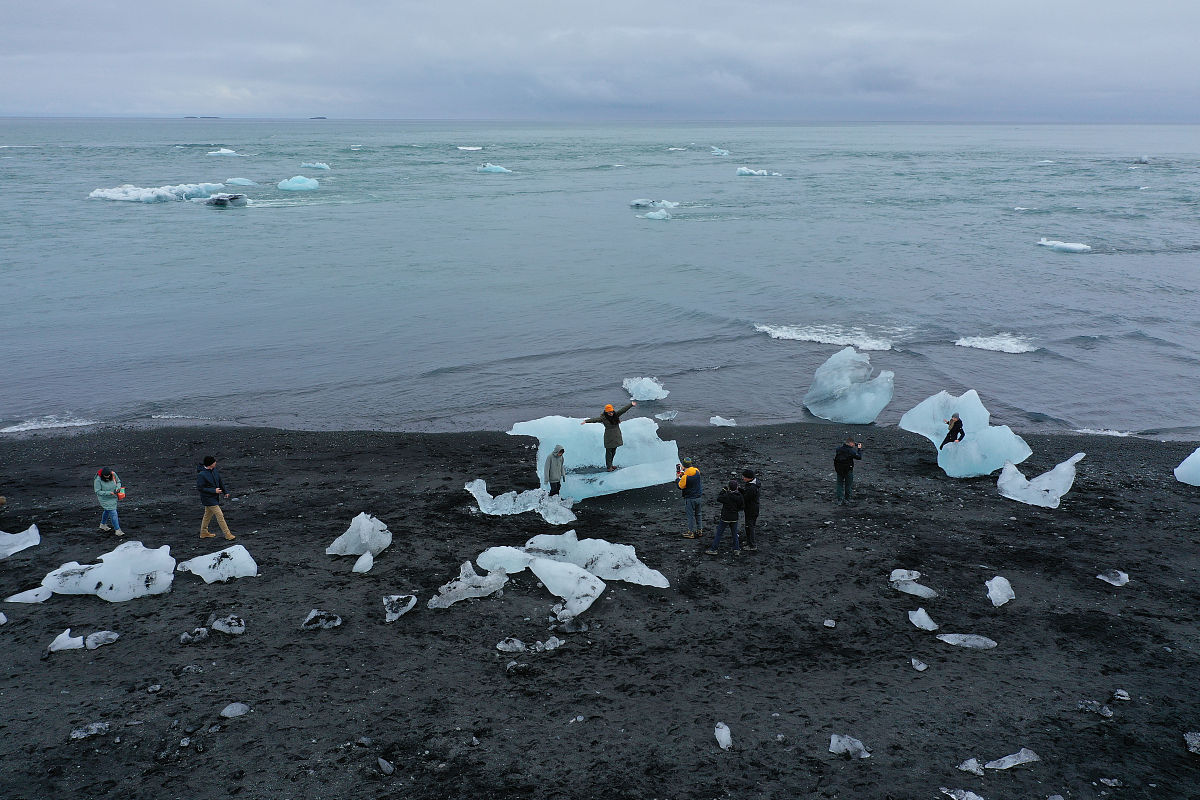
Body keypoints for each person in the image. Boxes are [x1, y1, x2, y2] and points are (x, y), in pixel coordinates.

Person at [581, 401, 637, 471]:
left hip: (616, 436)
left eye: (611, 412)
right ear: (606, 412)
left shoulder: (616, 415)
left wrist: (631, 405)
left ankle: (611, 465)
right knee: (609, 452)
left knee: (614, 451)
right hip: (609, 436)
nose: (611, 413)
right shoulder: (603, 418)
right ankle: (609, 467)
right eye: (609, 412)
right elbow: (595, 419)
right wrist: (586, 421)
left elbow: (623, 410)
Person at [196, 455, 235, 541]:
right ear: (210, 464)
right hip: (208, 498)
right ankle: (227, 534)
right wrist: (214, 491)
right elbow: (200, 488)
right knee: (220, 515)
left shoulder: (214, 471)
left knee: (207, 515)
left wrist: (225, 492)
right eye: (214, 462)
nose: (215, 463)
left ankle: (203, 532)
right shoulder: (202, 475)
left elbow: (220, 481)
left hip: (213, 497)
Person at [707, 479, 745, 555]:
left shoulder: (727, 496)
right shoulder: (739, 496)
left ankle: (714, 549)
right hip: (734, 517)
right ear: (737, 487)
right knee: (734, 534)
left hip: (725, 517)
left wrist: (723, 490)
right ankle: (736, 549)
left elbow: (719, 498)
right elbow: (742, 506)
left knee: (719, 533)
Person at [676, 457, 703, 538]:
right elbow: (690, 473)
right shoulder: (697, 471)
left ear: (684, 466)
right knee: (698, 514)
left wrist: (677, 478)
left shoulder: (685, 477)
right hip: (698, 497)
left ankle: (690, 532)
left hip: (690, 498)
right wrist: (683, 472)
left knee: (690, 516)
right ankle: (699, 530)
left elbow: (680, 486)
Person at [93, 467, 125, 536]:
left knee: (107, 510)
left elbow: (118, 482)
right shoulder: (97, 480)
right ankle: (117, 530)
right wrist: (108, 493)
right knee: (113, 512)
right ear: (102, 475)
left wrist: (118, 488)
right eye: (106, 476)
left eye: (109, 475)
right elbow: (98, 491)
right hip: (104, 498)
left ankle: (103, 524)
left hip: (113, 496)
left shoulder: (113, 474)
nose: (108, 477)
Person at [834, 437, 863, 505]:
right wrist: (859, 449)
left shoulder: (838, 449)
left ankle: (839, 499)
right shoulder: (850, 451)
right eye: (853, 443)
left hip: (839, 469)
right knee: (848, 485)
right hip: (848, 470)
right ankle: (847, 499)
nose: (854, 445)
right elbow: (859, 457)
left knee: (839, 484)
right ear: (850, 443)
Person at [739, 469, 761, 551]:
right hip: (753, 508)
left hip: (751, 509)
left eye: (744, 477)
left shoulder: (752, 488)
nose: (743, 478)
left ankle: (752, 545)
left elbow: (746, 498)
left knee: (749, 526)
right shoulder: (754, 485)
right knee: (749, 526)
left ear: (749, 478)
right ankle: (749, 541)